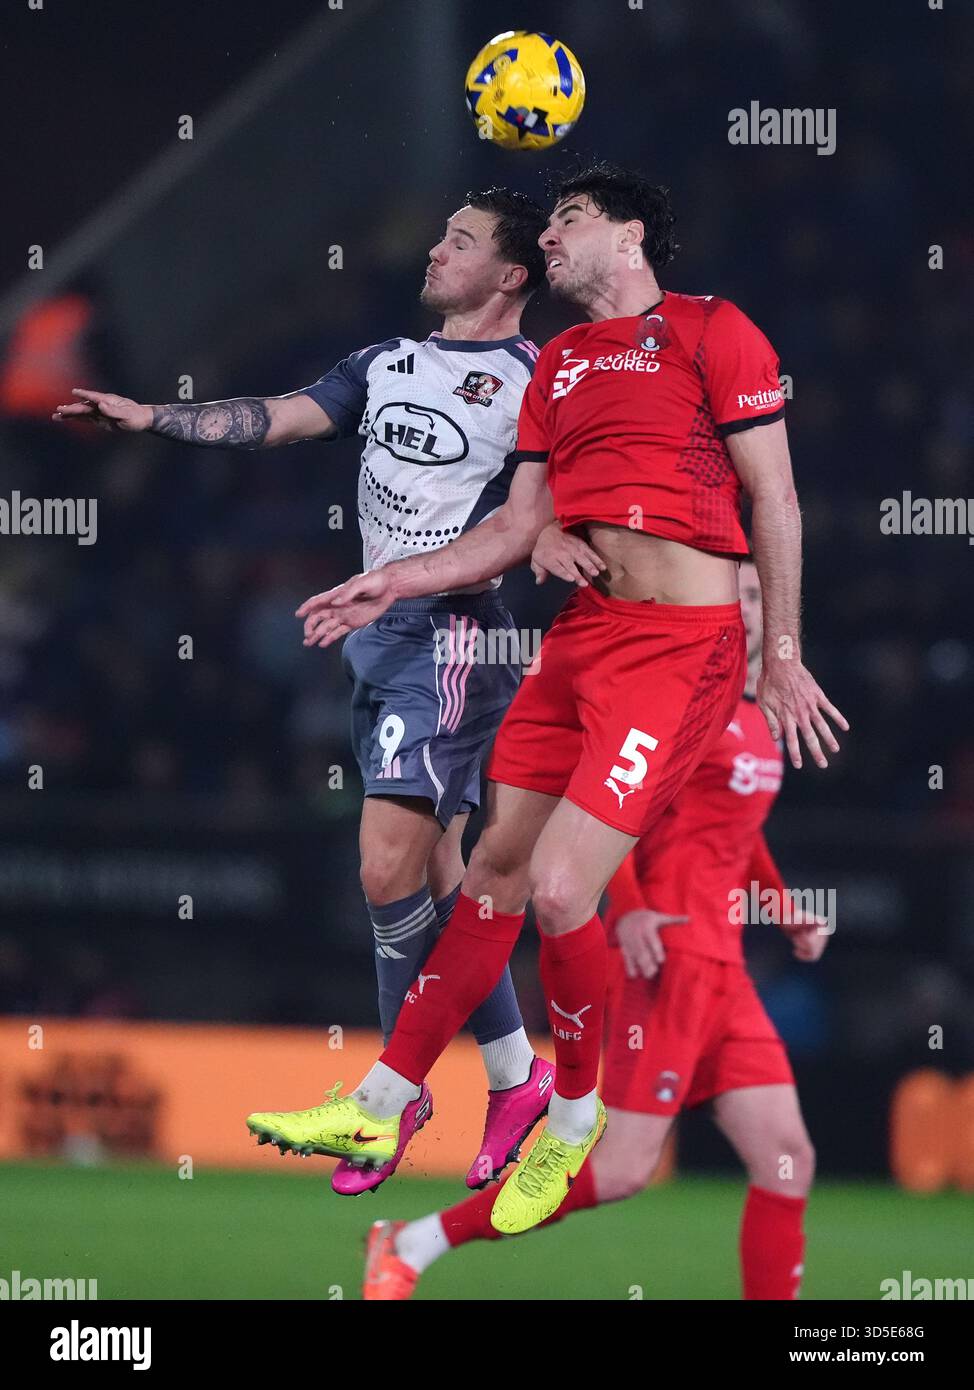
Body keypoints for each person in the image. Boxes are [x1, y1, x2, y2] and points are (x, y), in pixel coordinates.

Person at [264, 161, 848, 1235]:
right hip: (581, 640)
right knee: (490, 867)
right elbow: (506, 526)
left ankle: (570, 1116)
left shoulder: (714, 330)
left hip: (679, 648)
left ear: (625, 237)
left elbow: (773, 491)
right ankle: (382, 1100)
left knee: (558, 890)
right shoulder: (559, 363)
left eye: (570, 220)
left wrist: (783, 652)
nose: (553, 240)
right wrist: (398, 571)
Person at [52, 189, 559, 1195]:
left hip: (451, 637)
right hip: (372, 637)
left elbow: (557, 495)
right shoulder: (384, 364)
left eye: (459, 241)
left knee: (384, 870)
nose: (434, 248)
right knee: (441, 875)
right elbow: (274, 418)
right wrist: (151, 416)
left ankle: (395, 1094)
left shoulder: (532, 380)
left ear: (510, 275)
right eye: (440, 233)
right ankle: (511, 1076)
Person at [362, 559, 824, 1300]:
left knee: (788, 1158)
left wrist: (782, 903)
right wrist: (630, 905)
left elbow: (732, 833)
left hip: (726, 974)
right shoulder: (695, 696)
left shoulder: (758, 709)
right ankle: (414, 1241)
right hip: (664, 959)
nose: (751, 605)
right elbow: (616, 811)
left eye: (759, 593)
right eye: (739, 591)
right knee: (620, 1172)